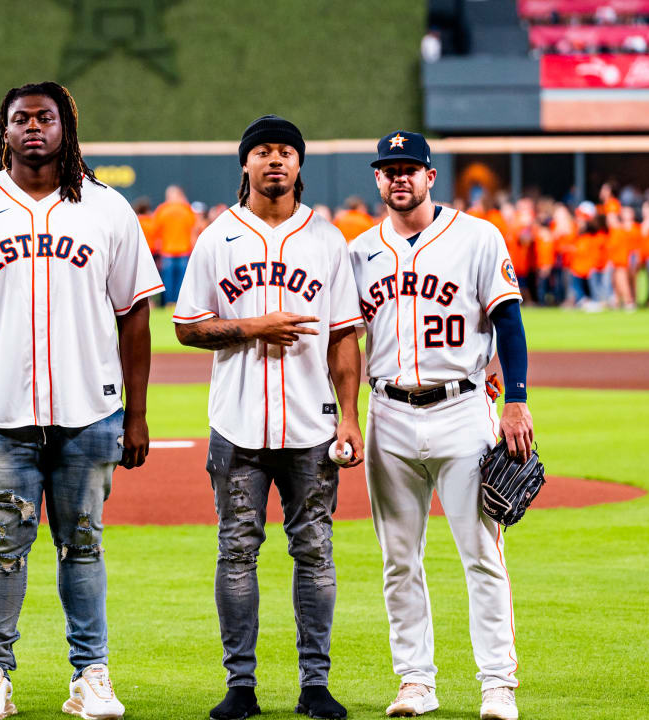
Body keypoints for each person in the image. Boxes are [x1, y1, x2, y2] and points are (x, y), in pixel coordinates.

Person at [0, 82, 161, 720]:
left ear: (65, 128)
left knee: (84, 545)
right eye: (20, 119)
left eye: (44, 118)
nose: (32, 128)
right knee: (2, 546)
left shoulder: (108, 209)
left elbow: (135, 315)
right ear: (4, 130)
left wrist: (136, 411)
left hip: (90, 409)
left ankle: (91, 676)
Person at [172, 114, 363, 720]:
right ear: (245, 165)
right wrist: (252, 326)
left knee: (315, 552)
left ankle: (315, 685)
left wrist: (350, 418)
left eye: (285, 151)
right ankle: (241, 687)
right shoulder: (216, 236)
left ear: (299, 165)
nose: (274, 160)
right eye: (263, 152)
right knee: (236, 552)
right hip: (237, 423)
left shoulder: (327, 239)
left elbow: (344, 337)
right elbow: (185, 326)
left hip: (312, 423)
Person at [349, 131, 531, 720]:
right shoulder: (358, 252)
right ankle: (415, 682)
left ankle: (498, 683)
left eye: (410, 168)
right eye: (388, 169)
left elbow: (508, 318)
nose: (398, 178)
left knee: (482, 554)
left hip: (462, 409)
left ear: (430, 177)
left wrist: (517, 400)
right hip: (388, 415)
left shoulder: (478, 237)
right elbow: (344, 344)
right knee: (398, 559)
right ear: (378, 180)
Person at [154, 184, 197, 305]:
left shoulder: (162, 210)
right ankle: (179, 304)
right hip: (183, 250)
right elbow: (193, 230)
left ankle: (169, 303)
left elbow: (156, 231)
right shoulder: (186, 209)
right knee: (181, 281)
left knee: (168, 281)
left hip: (167, 251)